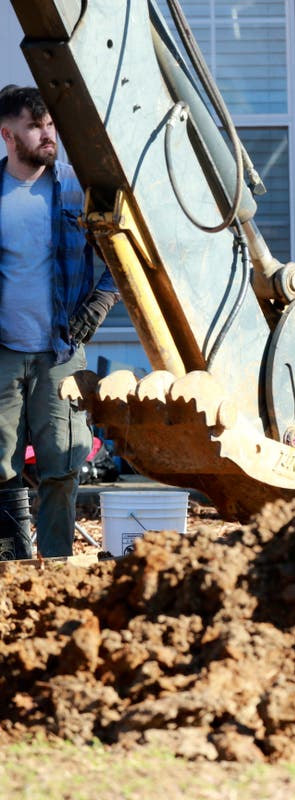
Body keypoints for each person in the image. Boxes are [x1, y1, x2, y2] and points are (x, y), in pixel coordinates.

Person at [0, 85, 119, 559]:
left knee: (63, 464)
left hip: (61, 350)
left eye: (50, 125)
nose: (48, 135)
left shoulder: (81, 186)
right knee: (1, 465)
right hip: (4, 350)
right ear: (8, 135)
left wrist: (100, 304)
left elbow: (118, 258)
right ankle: (11, 563)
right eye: (35, 127)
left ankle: (55, 565)